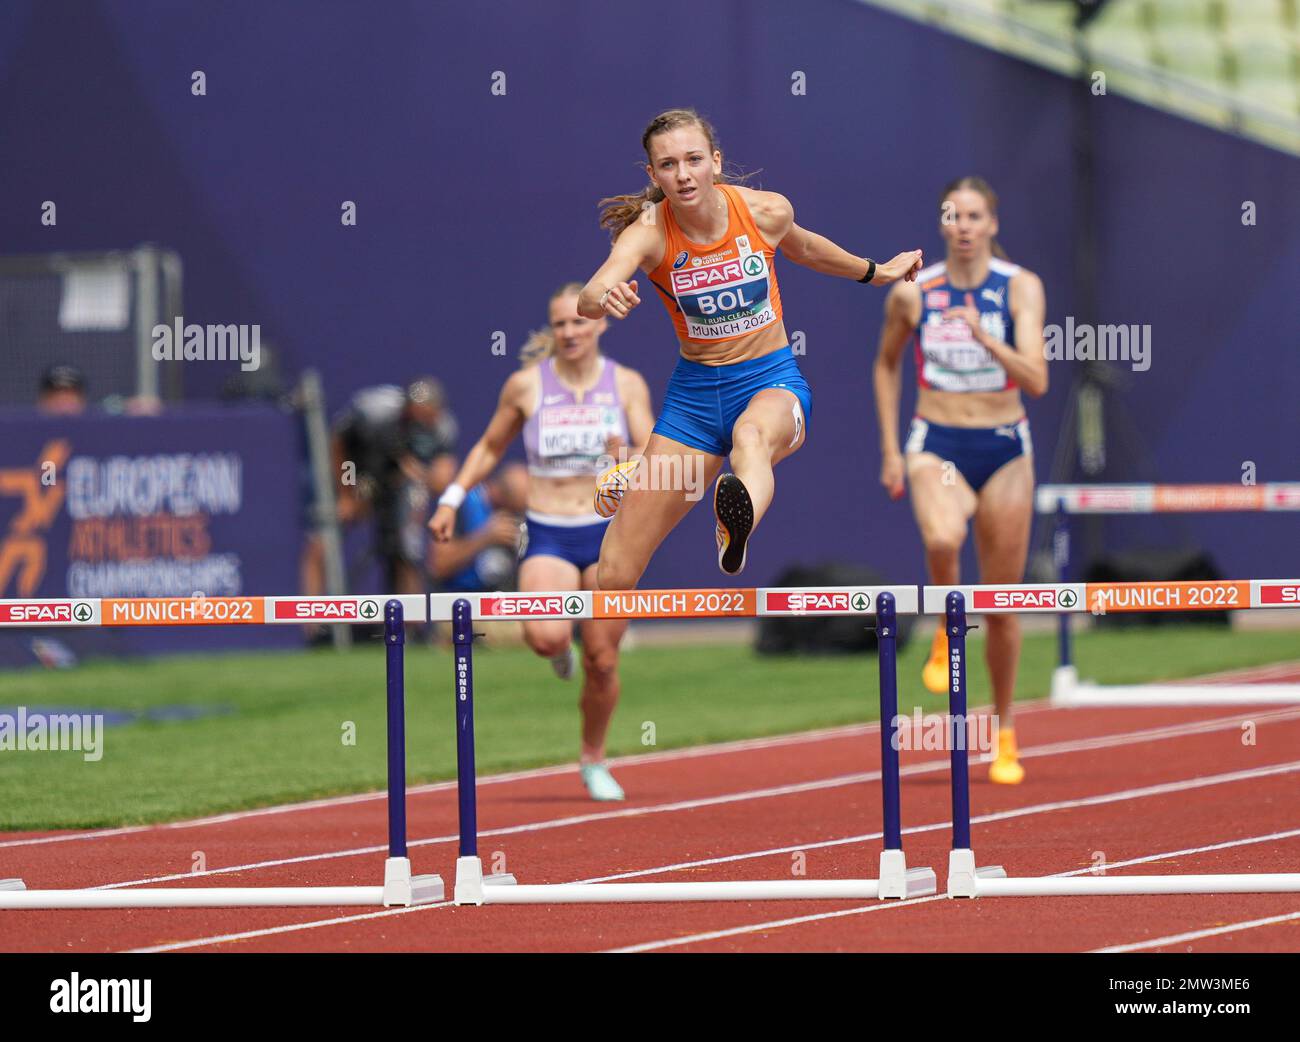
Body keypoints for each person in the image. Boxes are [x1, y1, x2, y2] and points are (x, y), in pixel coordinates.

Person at [575, 107, 922, 590]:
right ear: (654, 174)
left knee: (751, 439)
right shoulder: (648, 232)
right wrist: (603, 297)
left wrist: (876, 271)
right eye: (669, 165)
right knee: (612, 576)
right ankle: (647, 483)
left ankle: (735, 523)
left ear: (715, 161)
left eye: (693, 159)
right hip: (693, 405)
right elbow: (589, 295)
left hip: (769, 382)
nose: (683, 174)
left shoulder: (764, 211)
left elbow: (806, 248)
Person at [429, 283, 654, 801]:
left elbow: (651, 446)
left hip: (608, 535)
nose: (571, 332)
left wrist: (626, 456)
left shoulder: (626, 384)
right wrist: (452, 498)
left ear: (600, 324)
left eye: (580, 321)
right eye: (561, 324)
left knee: (602, 661)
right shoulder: (527, 386)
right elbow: (490, 446)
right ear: (550, 330)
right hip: (549, 530)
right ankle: (558, 653)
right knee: (546, 636)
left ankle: (594, 759)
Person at [872, 176, 1048, 785]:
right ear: (943, 224)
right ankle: (949, 635)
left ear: (992, 224)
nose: (964, 227)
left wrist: (985, 337)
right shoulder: (915, 293)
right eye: (954, 216)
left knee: (1001, 605)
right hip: (937, 439)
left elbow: (1037, 379)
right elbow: (886, 363)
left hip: (1002, 446)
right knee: (943, 540)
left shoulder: (1019, 287)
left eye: (975, 216)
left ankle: (1003, 731)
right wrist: (892, 449)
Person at [301, 377, 458, 609]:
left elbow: (442, 479)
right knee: (322, 540)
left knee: (409, 546)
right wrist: (347, 492)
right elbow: (338, 444)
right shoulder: (375, 412)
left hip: (399, 483)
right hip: (356, 471)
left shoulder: (443, 428)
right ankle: (312, 621)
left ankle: (410, 623)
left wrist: (419, 474)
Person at [431, 462, 529, 593]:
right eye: (514, 510)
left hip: (497, 601)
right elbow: (437, 565)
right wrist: (485, 538)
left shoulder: (517, 519)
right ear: (499, 495)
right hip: (459, 600)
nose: (515, 518)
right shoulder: (462, 504)